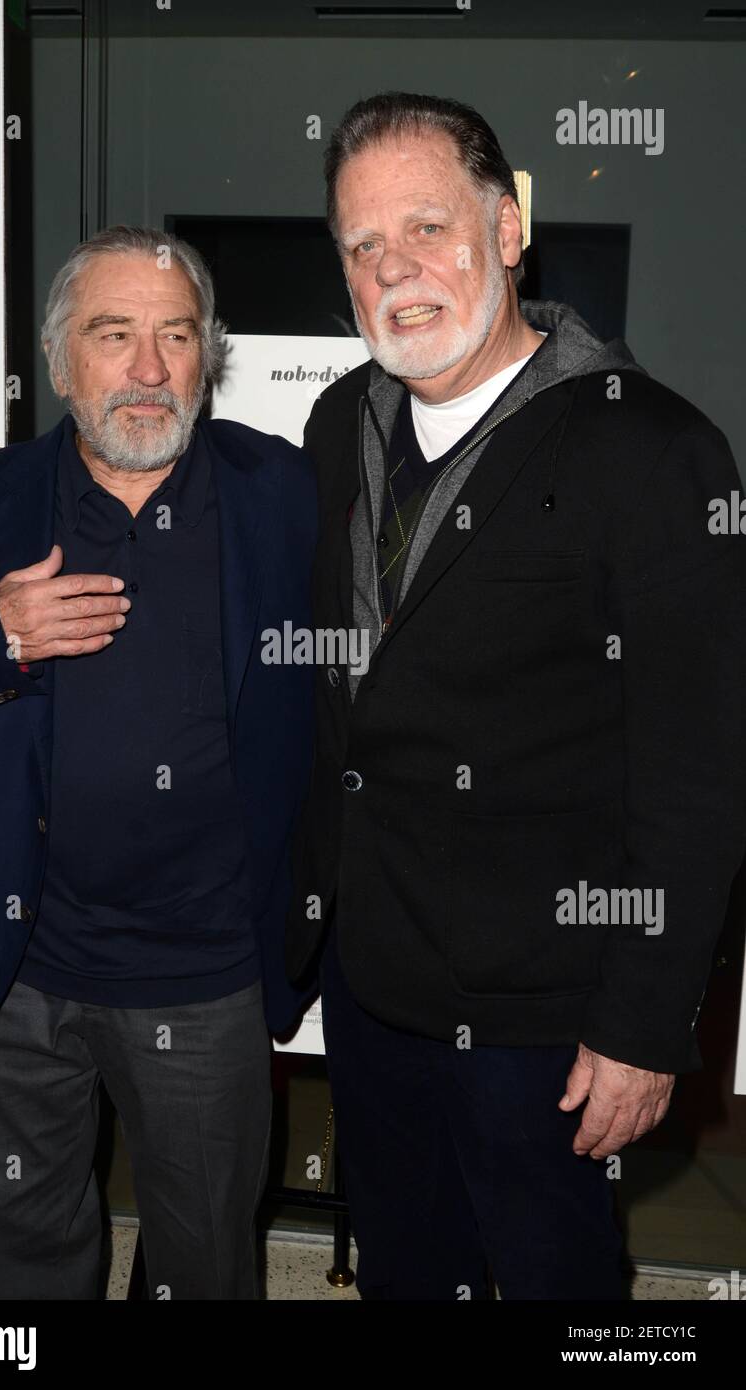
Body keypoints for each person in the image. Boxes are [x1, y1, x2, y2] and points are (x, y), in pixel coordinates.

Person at [285, 92, 746, 1300]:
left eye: (427, 229)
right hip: (375, 983)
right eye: (364, 245)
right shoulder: (339, 425)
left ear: (509, 225)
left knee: (555, 1285)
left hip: (553, 1012)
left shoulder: (652, 449)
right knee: (405, 1270)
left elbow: (700, 773)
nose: (397, 270)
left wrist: (647, 1023)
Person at [0, 225, 317, 1300]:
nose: (150, 369)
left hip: (210, 975)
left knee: (205, 1264)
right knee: (26, 1265)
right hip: (19, 971)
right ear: (58, 355)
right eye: (114, 335)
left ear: (207, 353)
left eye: (176, 335)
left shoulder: (288, 498)